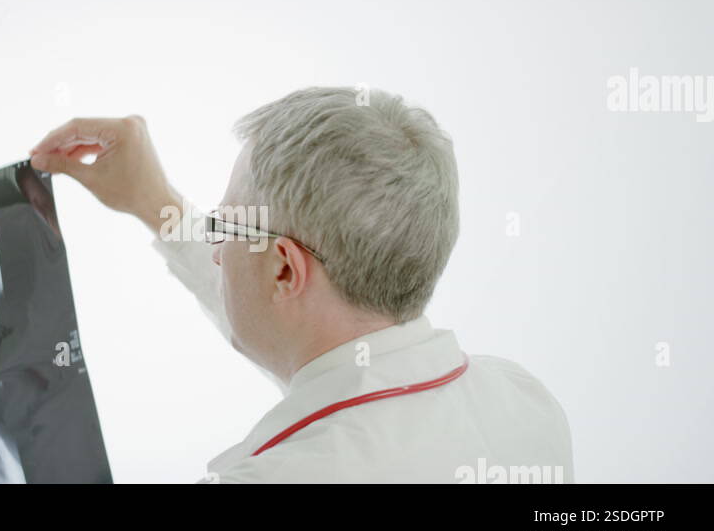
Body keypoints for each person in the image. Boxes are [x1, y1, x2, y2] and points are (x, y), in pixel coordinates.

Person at [29, 87, 574, 483]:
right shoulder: (525, 405)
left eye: (226, 228)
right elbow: (304, 333)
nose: (216, 253)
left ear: (286, 269)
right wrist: (159, 207)